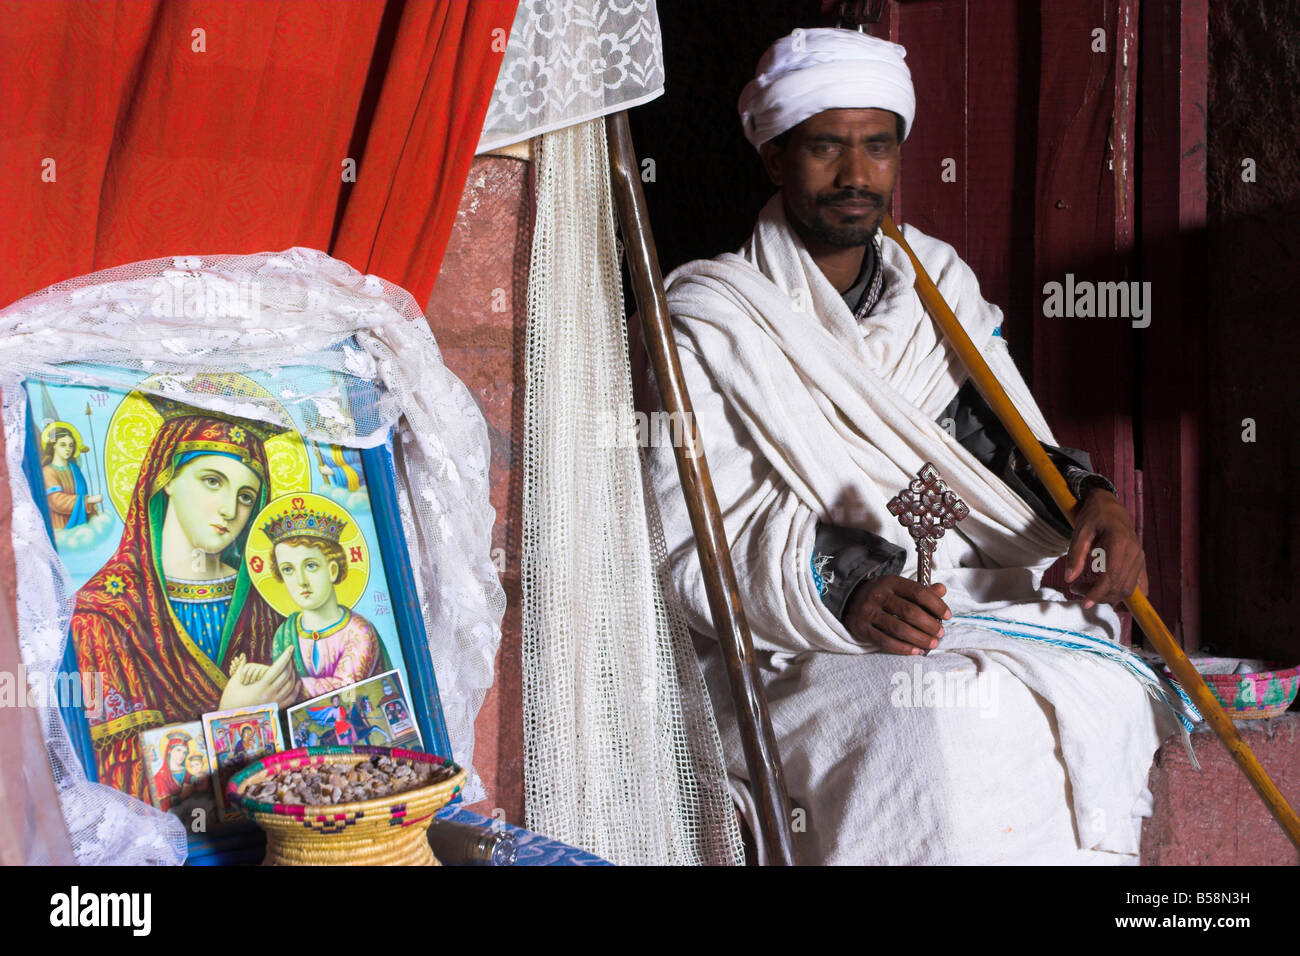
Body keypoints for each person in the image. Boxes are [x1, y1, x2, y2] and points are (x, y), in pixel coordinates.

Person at [647, 28, 1197, 864]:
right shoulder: (709, 319)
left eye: (877, 147)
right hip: (802, 636)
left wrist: (1097, 504)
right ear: (774, 158)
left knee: (1099, 698)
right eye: (826, 147)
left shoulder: (936, 285)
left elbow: (1009, 445)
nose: (855, 175)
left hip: (968, 604)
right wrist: (854, 588)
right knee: (931, 731)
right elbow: (693, 533)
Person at [70, 398, 300, 802]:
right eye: (213, 481)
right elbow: (113, 791)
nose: (230, 510)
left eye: (247, 496)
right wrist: (232, 718)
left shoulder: (271, 607)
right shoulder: (103, 618)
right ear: (166, 478)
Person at [259, 503, 389, 699]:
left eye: (311, 566)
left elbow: (344, 689)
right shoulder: (285, 633)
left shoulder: (358, 631)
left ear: (332, 570)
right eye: (288, 569)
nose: (301, 581)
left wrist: (274, 683)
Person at [41, 424, 101, 530]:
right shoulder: (48, 472)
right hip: (60, 526)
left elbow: (83, 493)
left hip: (80, 527)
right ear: (54, 445)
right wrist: (88, 500)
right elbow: (56, 501)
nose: (68, 449)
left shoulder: (74, 469)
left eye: (71, 445)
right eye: (63, 445)